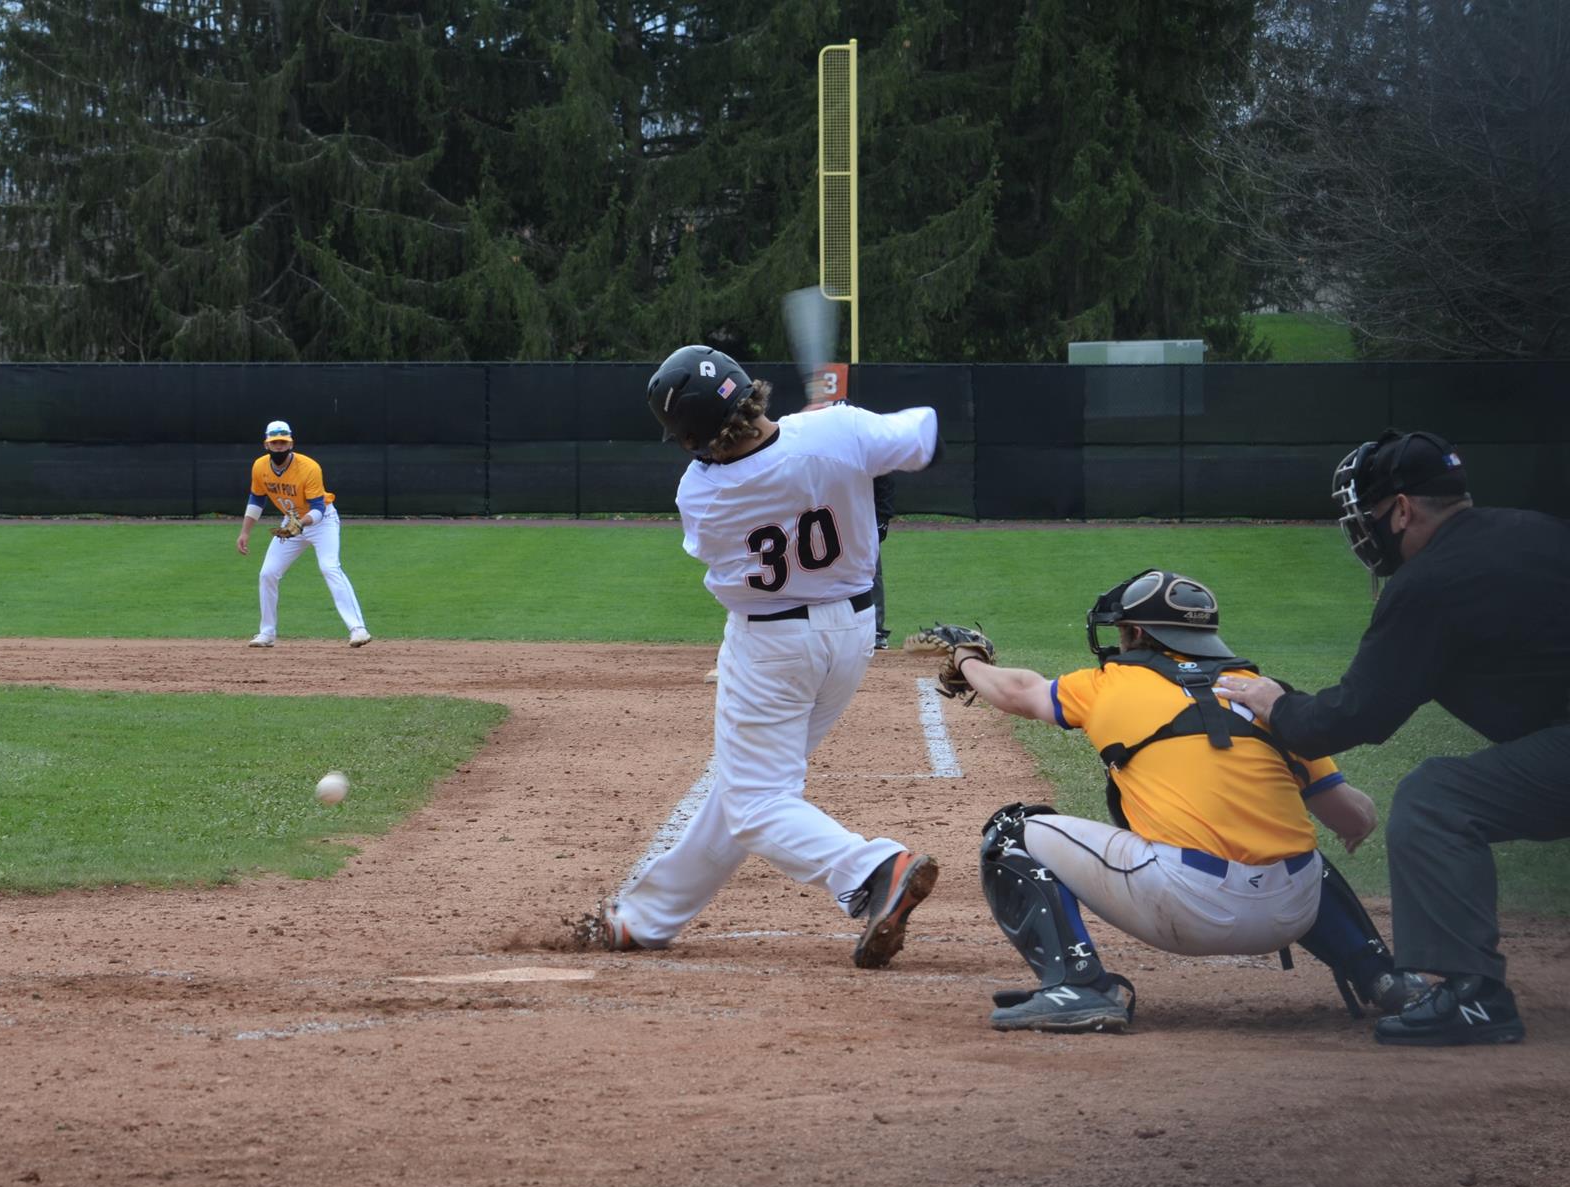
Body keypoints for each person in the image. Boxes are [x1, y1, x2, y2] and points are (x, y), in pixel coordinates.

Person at [576, 344, 942, 967]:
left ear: (690, 434)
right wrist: (844, 429)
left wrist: (821, 439)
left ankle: (873, 869)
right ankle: (646, 918)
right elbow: (921, 435)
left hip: (772, 646)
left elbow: (758, 474)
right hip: (852, 637)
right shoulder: (837, 430)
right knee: (748, 788)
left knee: (756, 803)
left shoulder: (701, 494)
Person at [943, 569, 1421, 1033]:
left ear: (1133, 632)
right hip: (1291, 910)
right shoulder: (1265, 695)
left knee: (1011, 832)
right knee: (1300, 852)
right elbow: (1354, 817)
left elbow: (1018, 691)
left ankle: (1077, 986)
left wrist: (968, 659)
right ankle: (1382, 976)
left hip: (1187, 908)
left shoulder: (1109, 684)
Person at [1215, 431, 1570, 1047]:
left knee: (1437, 800)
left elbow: (1356, 717)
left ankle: (1475, 998)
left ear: (1401, 510)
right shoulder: (1539, 530)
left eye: (1370, 516)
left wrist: (1277, 705)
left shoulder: (1430, 581)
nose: (1366, 531)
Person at [236, 419, 371, 648]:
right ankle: (267, 633)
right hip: (291, 523)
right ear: (266, 444)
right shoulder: (259, 466)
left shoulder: (309, 467)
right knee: (267, 573)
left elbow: (318, 508)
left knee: (329, 567)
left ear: (291, 443)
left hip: (322, 522)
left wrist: (301, 523)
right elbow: (257, 499)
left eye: (283, 442)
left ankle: (358, 629)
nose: (279, 446)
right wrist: (245, 532)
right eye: (275, 442)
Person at [871, 472, 897, 649]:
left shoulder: (865, 448)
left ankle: (875, 630)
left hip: (865, 519)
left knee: (872, 572)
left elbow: (884, 482)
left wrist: (883, 517)